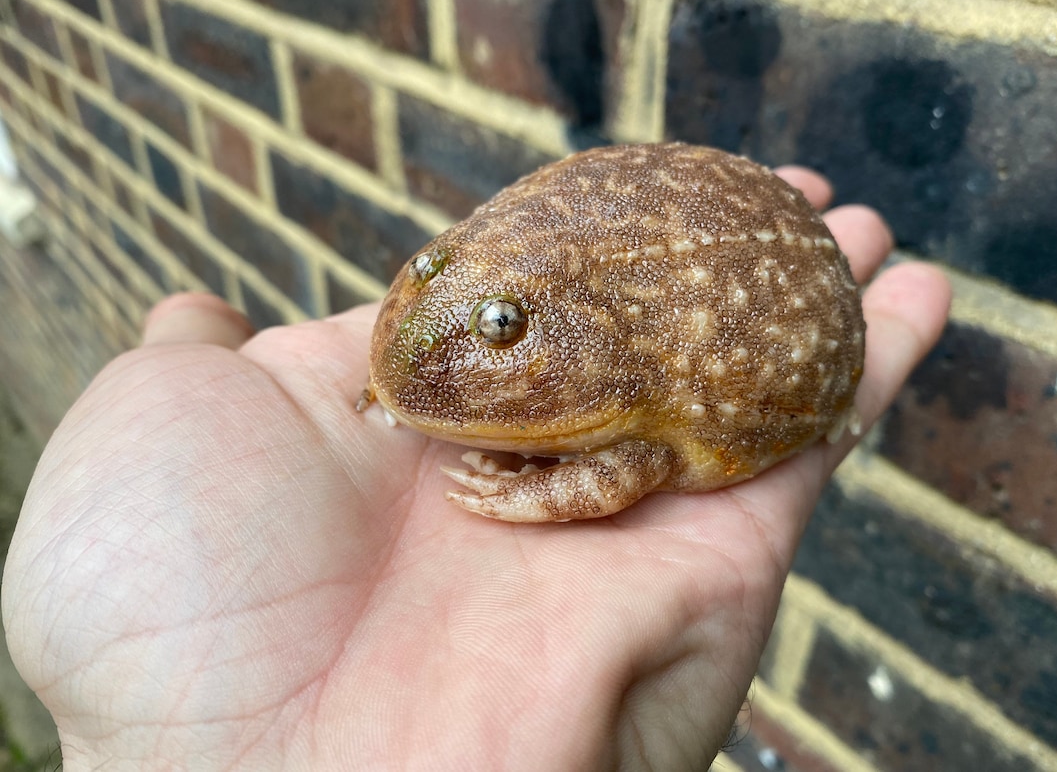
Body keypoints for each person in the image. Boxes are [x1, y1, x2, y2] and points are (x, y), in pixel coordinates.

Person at [1, 166, 949, 771]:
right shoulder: (479, 269)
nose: (419, 304)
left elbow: (644, 456)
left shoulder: (621, 381)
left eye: (503, 328)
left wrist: (543, 486)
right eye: (422, 270)